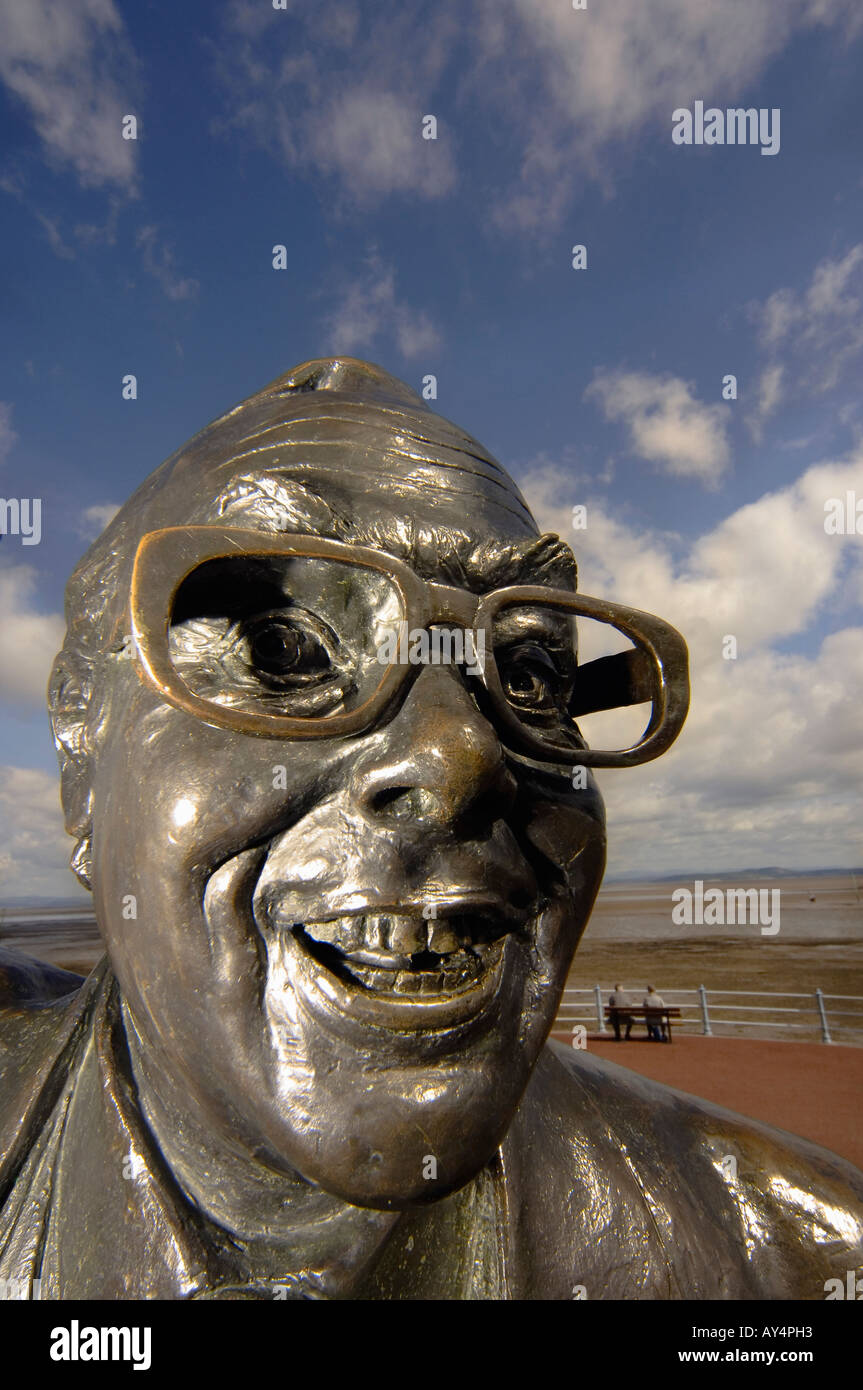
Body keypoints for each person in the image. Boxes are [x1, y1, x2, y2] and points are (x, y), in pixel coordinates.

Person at [1, 358, 861, 1299]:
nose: (462, 757)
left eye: (530, 676)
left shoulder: (787, 1270)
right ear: (83, 758)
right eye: (285, 650)